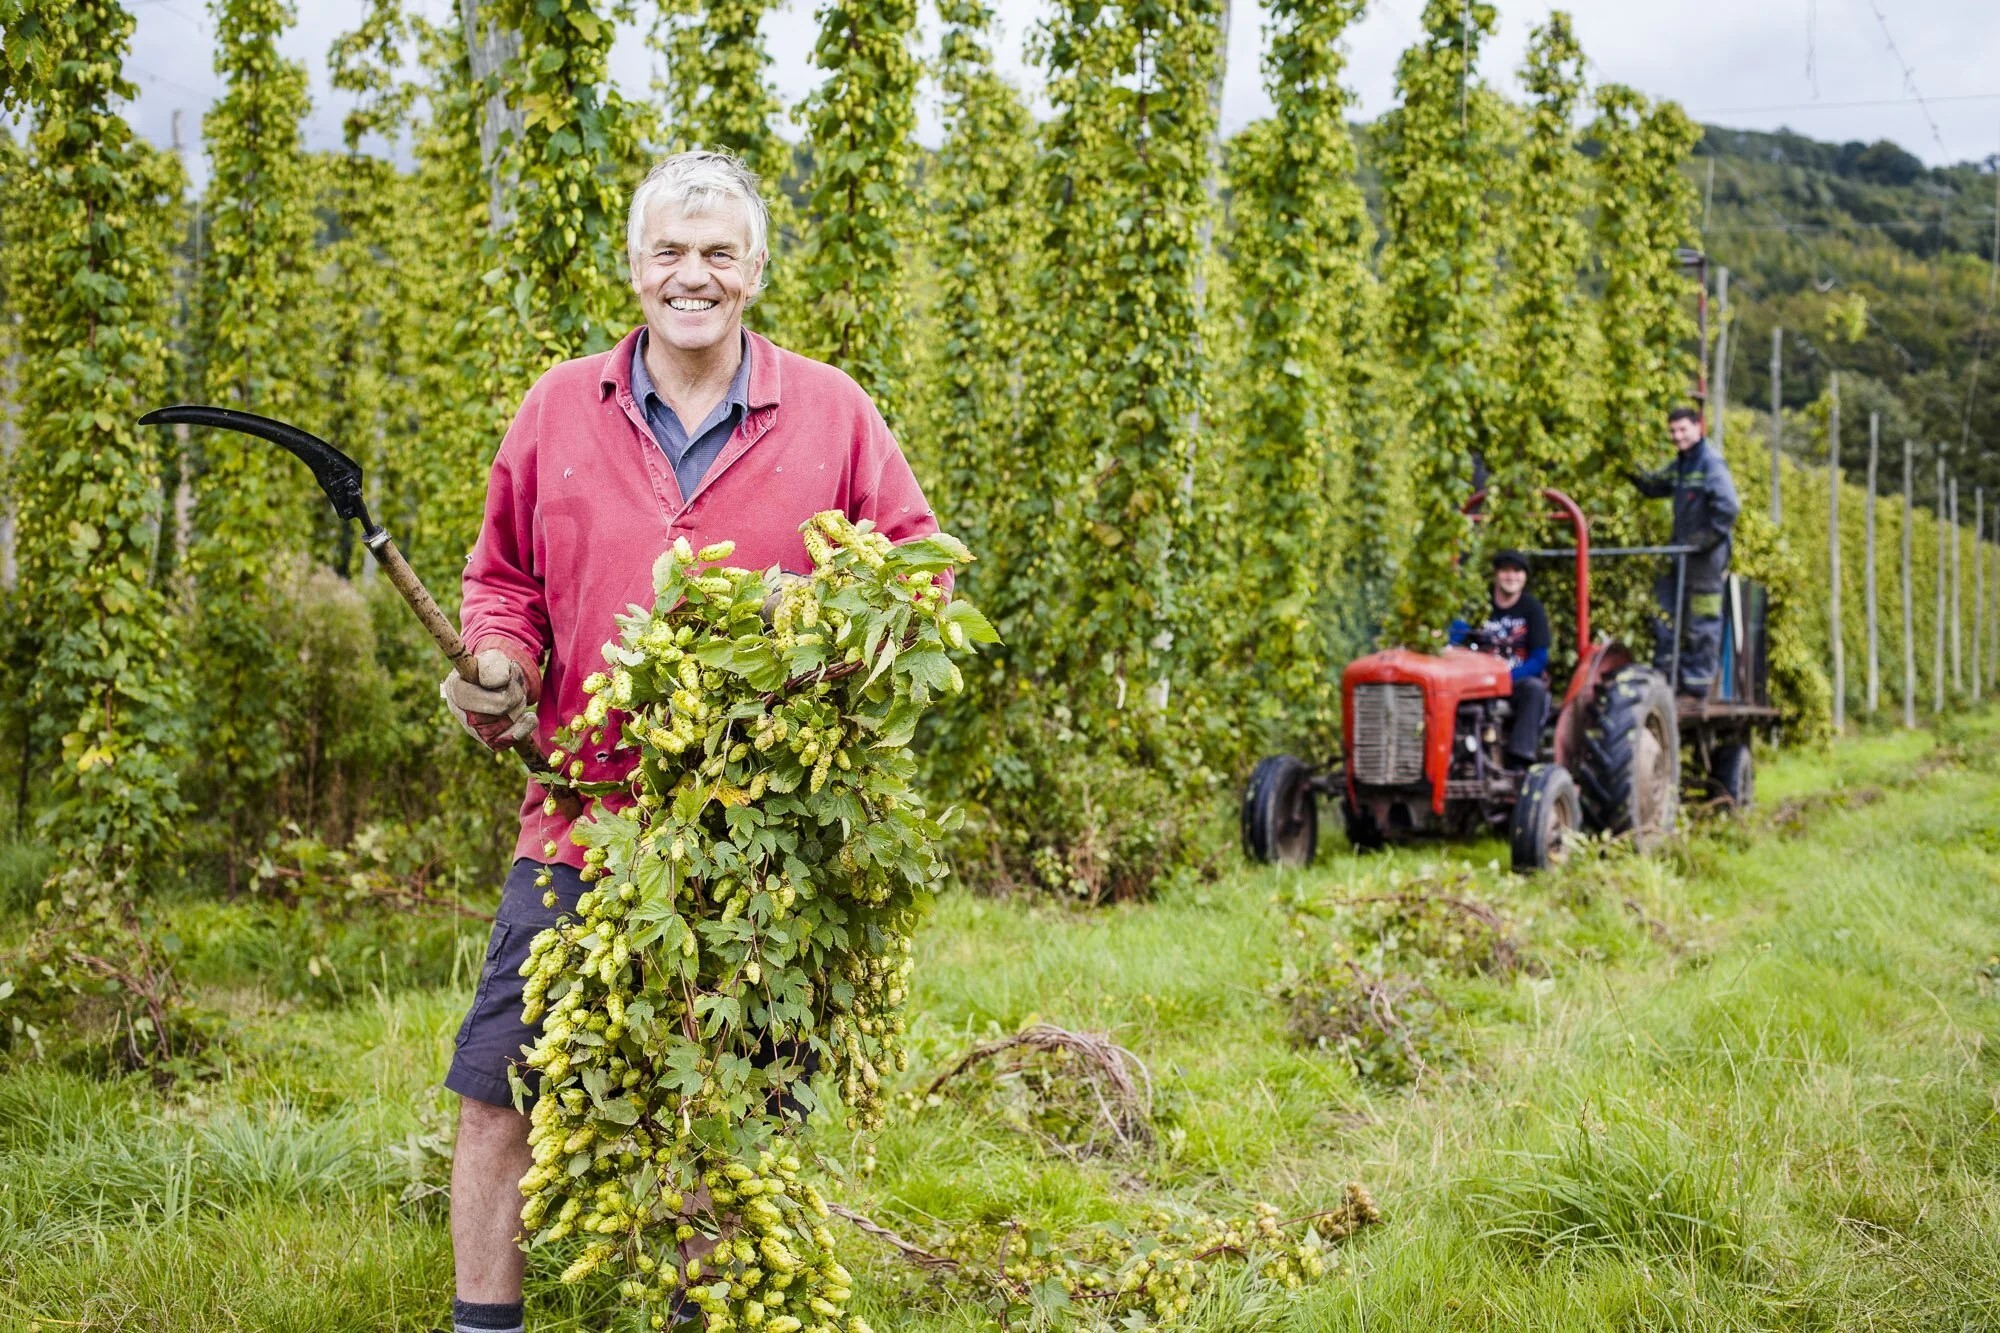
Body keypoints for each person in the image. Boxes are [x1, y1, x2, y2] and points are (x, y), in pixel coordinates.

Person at [431, 151, 942, 1333]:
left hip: (753, 842)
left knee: (719, 1106)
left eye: (717, 252)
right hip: (580, 818)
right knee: (498, 1089)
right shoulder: (558, 408)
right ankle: (481, 1325)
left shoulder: (834, 412)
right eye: (669, 251)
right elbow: (500, 577)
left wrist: (834, 658)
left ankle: (693, 1316)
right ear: (634, 267)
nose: (692, 274)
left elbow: (918, 572)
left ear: (755, 269)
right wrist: (498, 666)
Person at [1629, 405, 1740, 697]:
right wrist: (1629, 469)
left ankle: (1698, 686)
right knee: (1663, 610)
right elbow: (1655, 486)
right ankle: (1667, 678)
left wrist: (1704, 540)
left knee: (1702, 620)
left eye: (1683, 429)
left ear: (1698, 427)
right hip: (1681, 553)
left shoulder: (1710, 463)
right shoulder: (1682, 464)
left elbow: (1728, 507)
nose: (1677, 436)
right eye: (1673, 431)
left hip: (1706, 558)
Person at [1449, 549, 1551, 769]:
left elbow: (1539, 658)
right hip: (1477, 682)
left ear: (1524, 577)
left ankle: (1519, 760)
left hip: (1515, 680)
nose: (1511, 576)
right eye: (1506, 570)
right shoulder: (1479, 605)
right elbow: (1456, 638)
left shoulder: (1532, 609)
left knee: (1534, 690)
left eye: (1517, 571)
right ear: (1496, 574)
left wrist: (1507, 678)